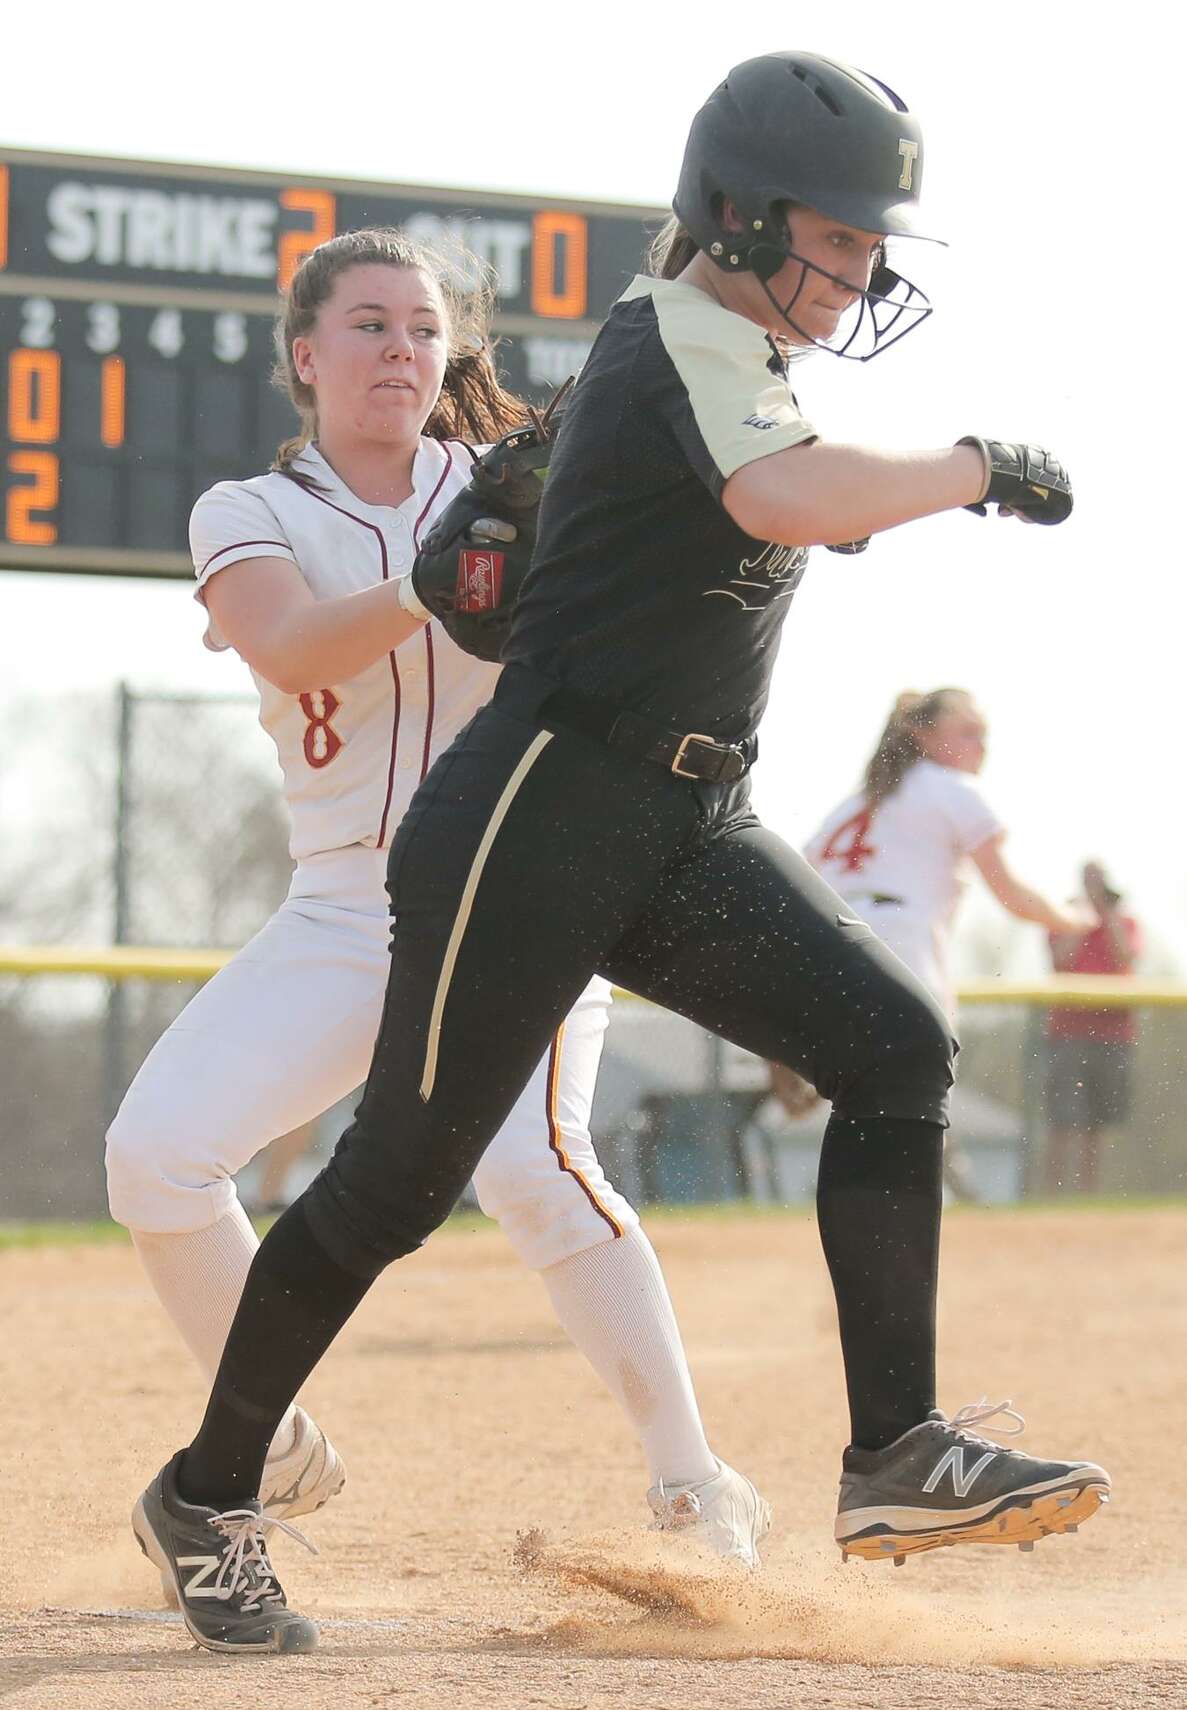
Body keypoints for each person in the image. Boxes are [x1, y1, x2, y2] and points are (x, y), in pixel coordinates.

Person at [136, 52, 1111, 1657]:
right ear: (734, 215)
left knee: (895, 1043)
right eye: (842, 232)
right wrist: (973, 468)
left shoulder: (716, 347)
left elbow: (768, 481)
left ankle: (895, 1453)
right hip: (541, 807)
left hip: (681, 815)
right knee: (399, 1178)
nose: (865, 266)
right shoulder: (684, 333)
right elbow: (781, 494)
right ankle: (209, 1492)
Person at [110, 227, 769, 1612]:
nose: (399, 349)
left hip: (521, 885)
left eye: (421, 328)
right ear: (305, 356)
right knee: (156, 1155)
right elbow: (291, 644)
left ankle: (693, 1484)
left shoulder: (517, 486)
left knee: (531, 1166)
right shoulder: (247, 509)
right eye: (365, 325)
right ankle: (263, 1444)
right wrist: (440, 572)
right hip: (347, 901)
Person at [801, 688, 1083, 1196]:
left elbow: (799, 876)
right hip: (900, 940)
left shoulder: (855, 803)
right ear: (921, 734)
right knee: (920, 1083)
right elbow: (1012, 894)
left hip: (826, 941)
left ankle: (881, 1178)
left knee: (864, 1090)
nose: (982, 745)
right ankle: (927, 1192)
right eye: (968, 732)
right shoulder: (948, 789)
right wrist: (1071, 919)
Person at [1044, 860, 1141, 1194]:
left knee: (1097, 1125)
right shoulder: (1064, 918)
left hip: (1112, 1035)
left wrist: (1108, 914)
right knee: (1063, 1121)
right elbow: (1061, 961)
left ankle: (1088, 1195)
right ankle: (1053, 1194)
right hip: (1068, 1034)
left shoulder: (1124, 921)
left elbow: (1124, 957)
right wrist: (1083, 917)